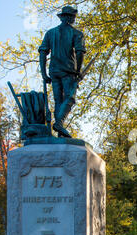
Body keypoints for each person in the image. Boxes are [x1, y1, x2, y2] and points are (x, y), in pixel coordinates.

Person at [38, 6, 86, 138]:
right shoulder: (77, 34)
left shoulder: (50, 33)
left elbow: (43, 53)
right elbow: (80, 52)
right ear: (69, 17)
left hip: (54, 71)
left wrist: (44, 73)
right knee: (70, 98)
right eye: (72, 16)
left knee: (59, 101)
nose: (73, 19)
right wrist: (78, 71)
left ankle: (60, 132)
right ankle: (59, 123)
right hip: (68, 71)